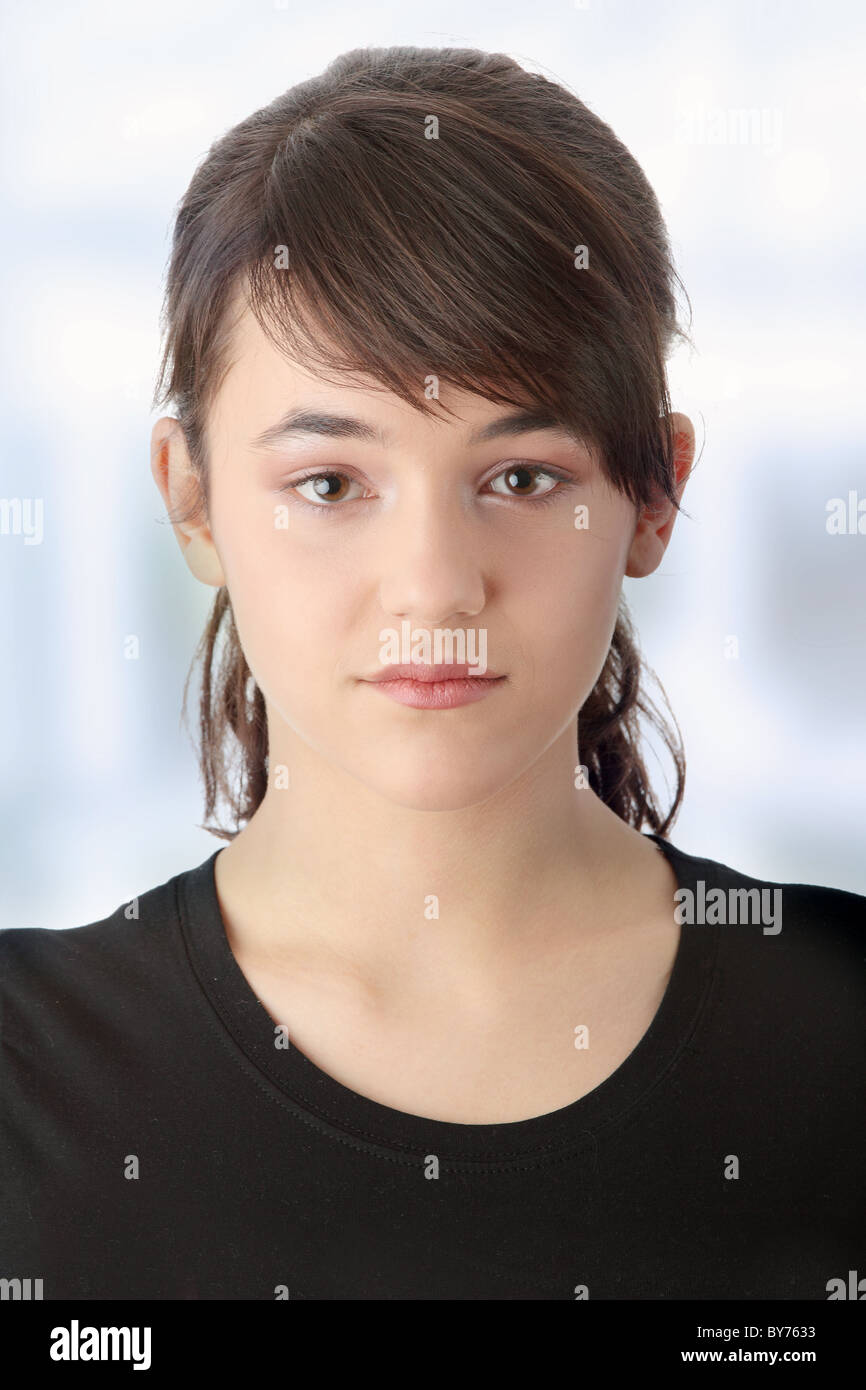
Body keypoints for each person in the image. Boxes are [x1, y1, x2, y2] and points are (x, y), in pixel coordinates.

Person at [1, 45, 863, 1302]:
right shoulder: (24, 1073)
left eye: (521, 479)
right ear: (189, 502)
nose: (435, 584)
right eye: (330, 484)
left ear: (653, 493)